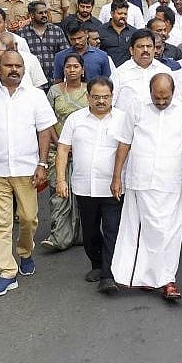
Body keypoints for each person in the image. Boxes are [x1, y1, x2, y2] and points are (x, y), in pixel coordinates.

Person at [0, 50, 58, 297]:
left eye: (18, 65)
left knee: (28, 218)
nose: (14, 69)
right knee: (0, 225)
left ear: (24, 68)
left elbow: (45, 131)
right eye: (9, 65)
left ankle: (25, 251)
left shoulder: (36, 96)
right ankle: (7, 272)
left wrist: (42, 164)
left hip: (27, 170)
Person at [111, 73, 182, 301]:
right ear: (149, 92)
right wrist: (117, 176)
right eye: (156, 97)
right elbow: (124, 143)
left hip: (172, 182)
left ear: (173, 92)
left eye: (165, 98)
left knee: (169, 231)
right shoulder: (136, 108)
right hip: (140, 180)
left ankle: (168, 279)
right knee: (146, 231)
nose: (160, 102)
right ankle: (148, 277)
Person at [55, 76, 127, 294]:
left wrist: (120, 177)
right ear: (88, 97)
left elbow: (128, 148)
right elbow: (62, 149)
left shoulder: (123, 119)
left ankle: (108, 274)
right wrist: (60, 180)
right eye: (96, 97)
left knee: (113, 230)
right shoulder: (75, 119)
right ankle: (96, 263)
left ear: (112, 96)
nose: (101, 101)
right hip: (84, 186)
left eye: (106, 97)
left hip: (113, 186)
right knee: (90, 232)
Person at [41, 53, 89, 252]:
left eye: (76, 66)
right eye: (68, 67)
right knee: (59, 194)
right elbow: (47, 120)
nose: (72, 70)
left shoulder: (90, 91)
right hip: (57, 148)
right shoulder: (54, 91)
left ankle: (79, 235)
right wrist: (61, 144)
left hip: (84, 150)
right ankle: (59, 236)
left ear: (82, 70)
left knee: (80, 193)